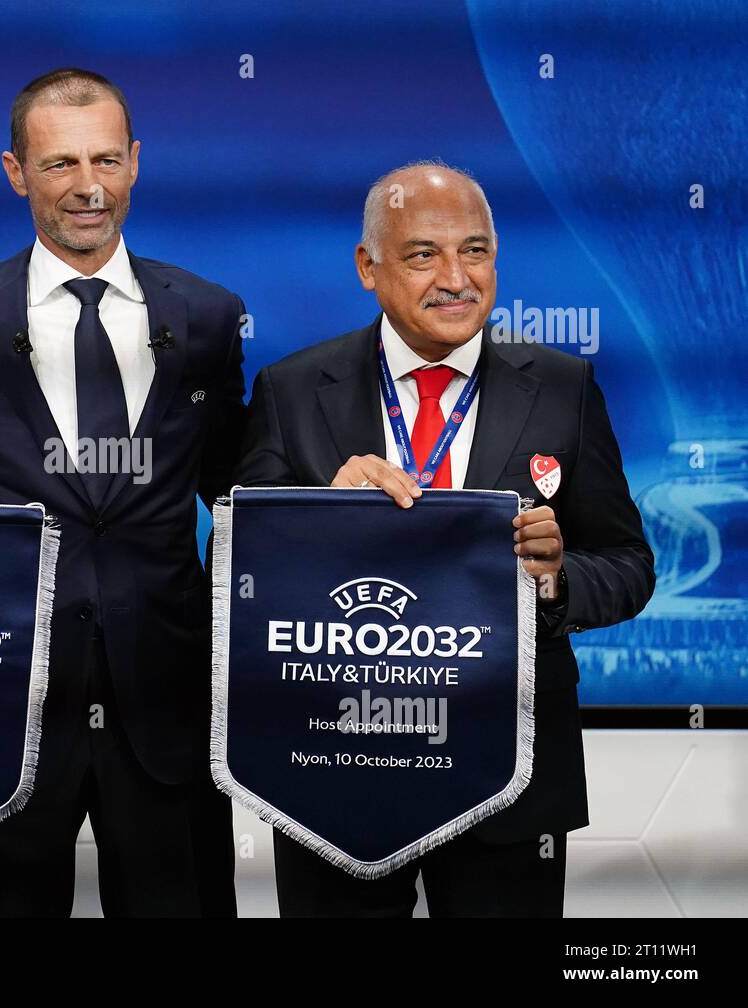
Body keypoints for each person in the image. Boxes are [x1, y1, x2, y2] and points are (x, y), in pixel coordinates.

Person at [0, 68, 246, 916]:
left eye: (105, 159)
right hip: (7, 707)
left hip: (166, 701)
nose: (88, 187)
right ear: (15, 172)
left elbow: (237, 487)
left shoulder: (210, 315)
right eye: (61, 164)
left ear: (136, 162)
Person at [233, 160, 655, 917]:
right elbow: (233, 578)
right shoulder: (292, 391)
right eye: (423, 254)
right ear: (368, 266)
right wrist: (311, 522)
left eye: (477, 250)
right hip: (337, 763)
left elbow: (629, 566)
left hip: (511, 778)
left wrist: (554, 577)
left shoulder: (564, 387)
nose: (456, 278)